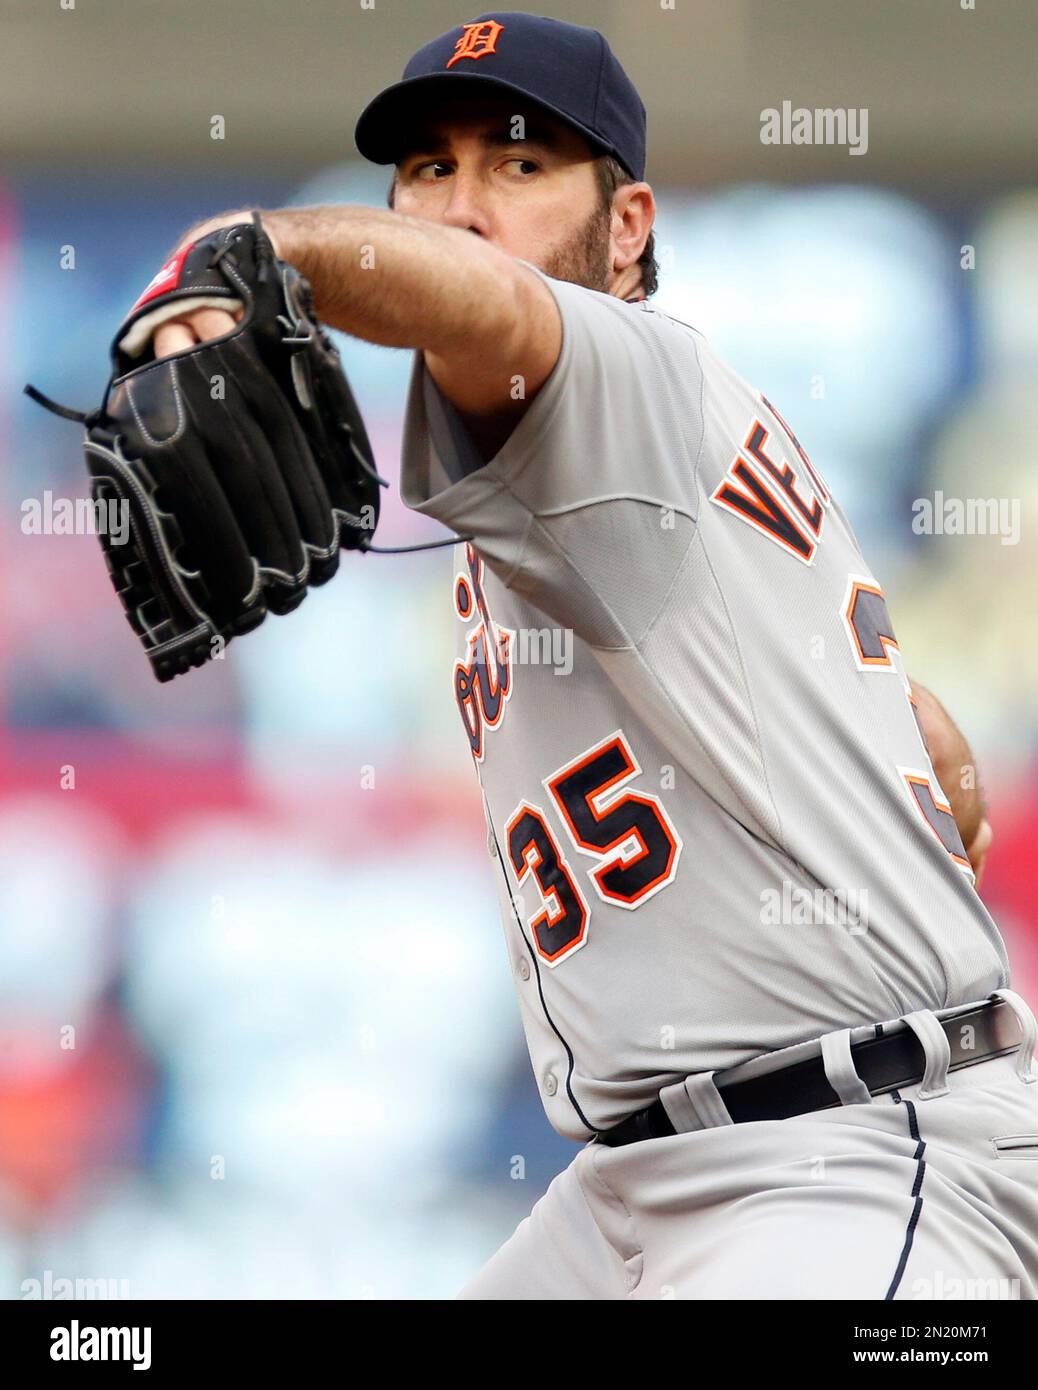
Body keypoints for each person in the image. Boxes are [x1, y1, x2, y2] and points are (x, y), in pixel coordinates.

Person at [143, 13, 1036, 1299]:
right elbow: (915, 736)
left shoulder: (615, 366)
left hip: (841, 1158)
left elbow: (492, 301)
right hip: (650, 1176)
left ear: (628, 230)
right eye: (429, 171)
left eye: (517, 166)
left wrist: (248, 253)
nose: (460, 210)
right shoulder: (588, 460)